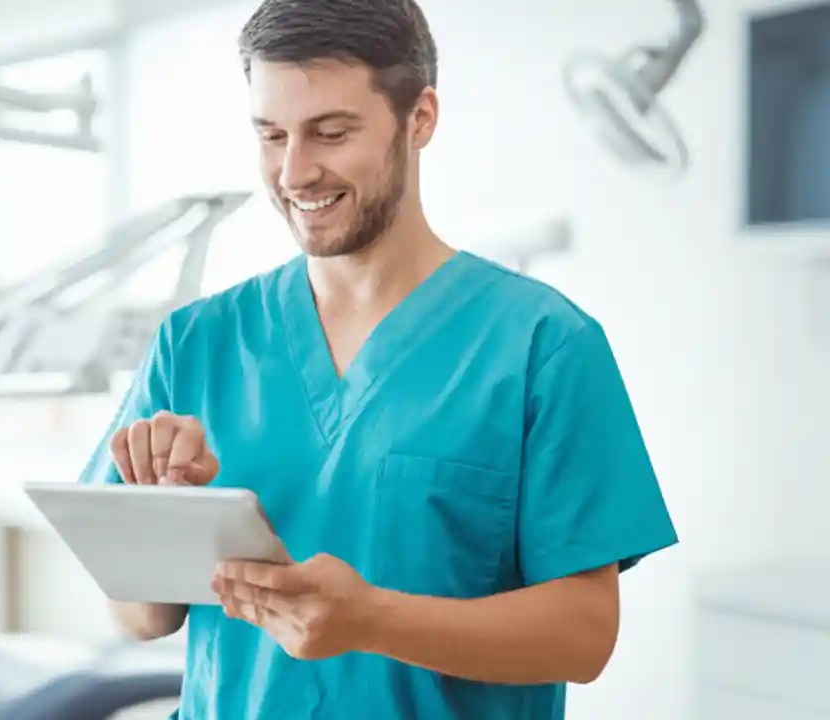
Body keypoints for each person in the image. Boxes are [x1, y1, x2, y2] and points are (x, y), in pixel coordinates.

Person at [77, 0, 678, 717]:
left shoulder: (542, 345)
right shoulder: (195, 342)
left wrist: (372, 620)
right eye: (272, 135)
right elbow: (142, 618)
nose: (295, 173)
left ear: (419, 118)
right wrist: (161, 515)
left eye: (330, 133)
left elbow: (583, 636)